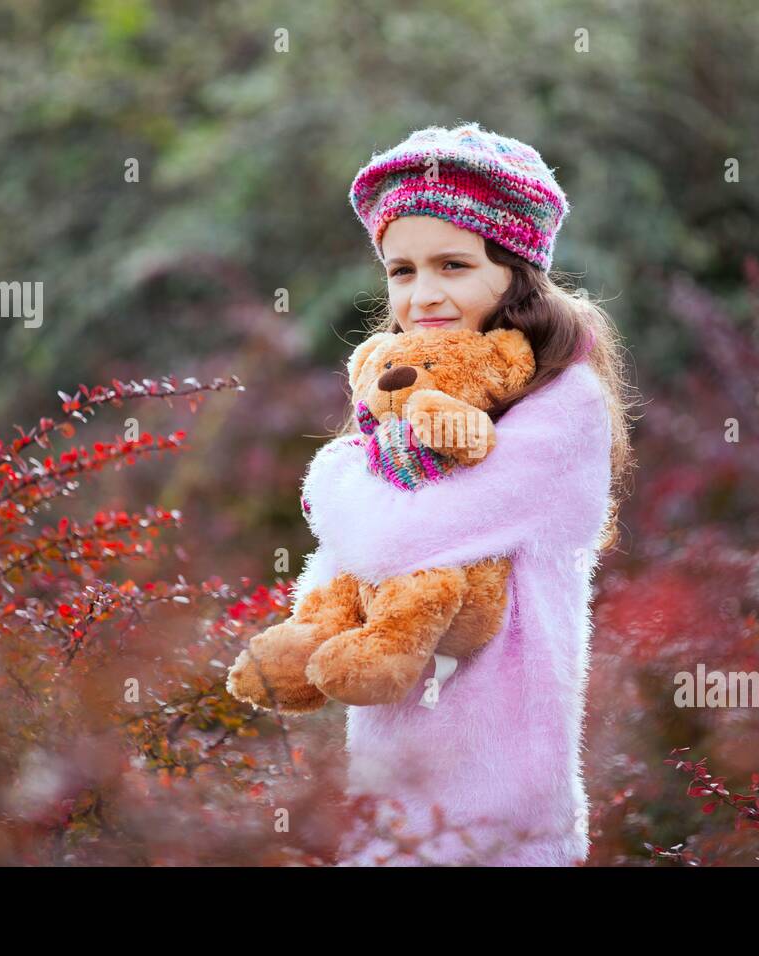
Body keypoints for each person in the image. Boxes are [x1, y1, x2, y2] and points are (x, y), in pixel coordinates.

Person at [296, 121, 637, 865]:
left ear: (514, 270)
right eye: (402, 270)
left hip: (498, 799)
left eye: (453, 264)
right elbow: (354, 565)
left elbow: (388, 541)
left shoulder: (562, 408)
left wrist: (330, 477)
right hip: (393, 774)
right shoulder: (400, 391)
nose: (422, 294)